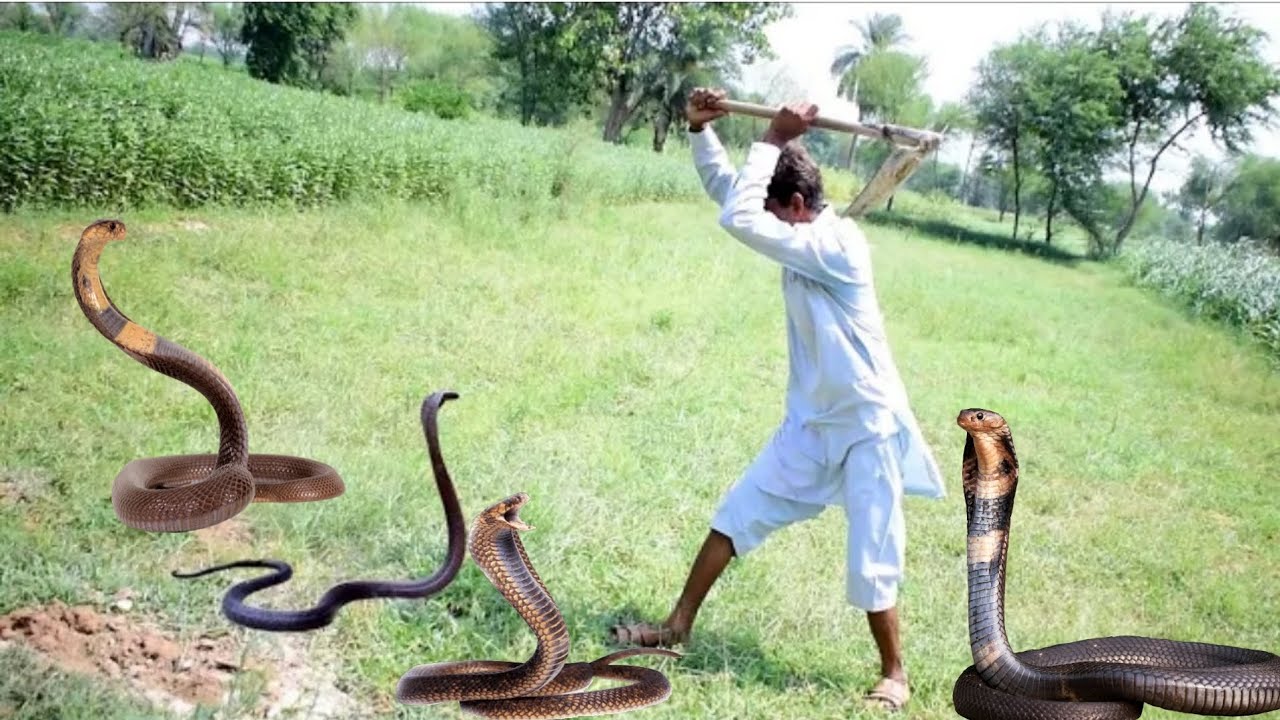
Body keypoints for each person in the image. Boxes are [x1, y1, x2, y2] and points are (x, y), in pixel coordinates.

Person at [608, 88, 947, 713]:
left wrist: (771, 139)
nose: (766, 221)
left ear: (794, 205)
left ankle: (895, 672)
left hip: (867, 426)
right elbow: (731, 197)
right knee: (738, 513)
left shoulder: (836, 246)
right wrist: (699, 131)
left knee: (874, 551)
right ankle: (677, 627)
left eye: (773, 209)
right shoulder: (795, 230)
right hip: (811, 425)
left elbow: (741, 216)